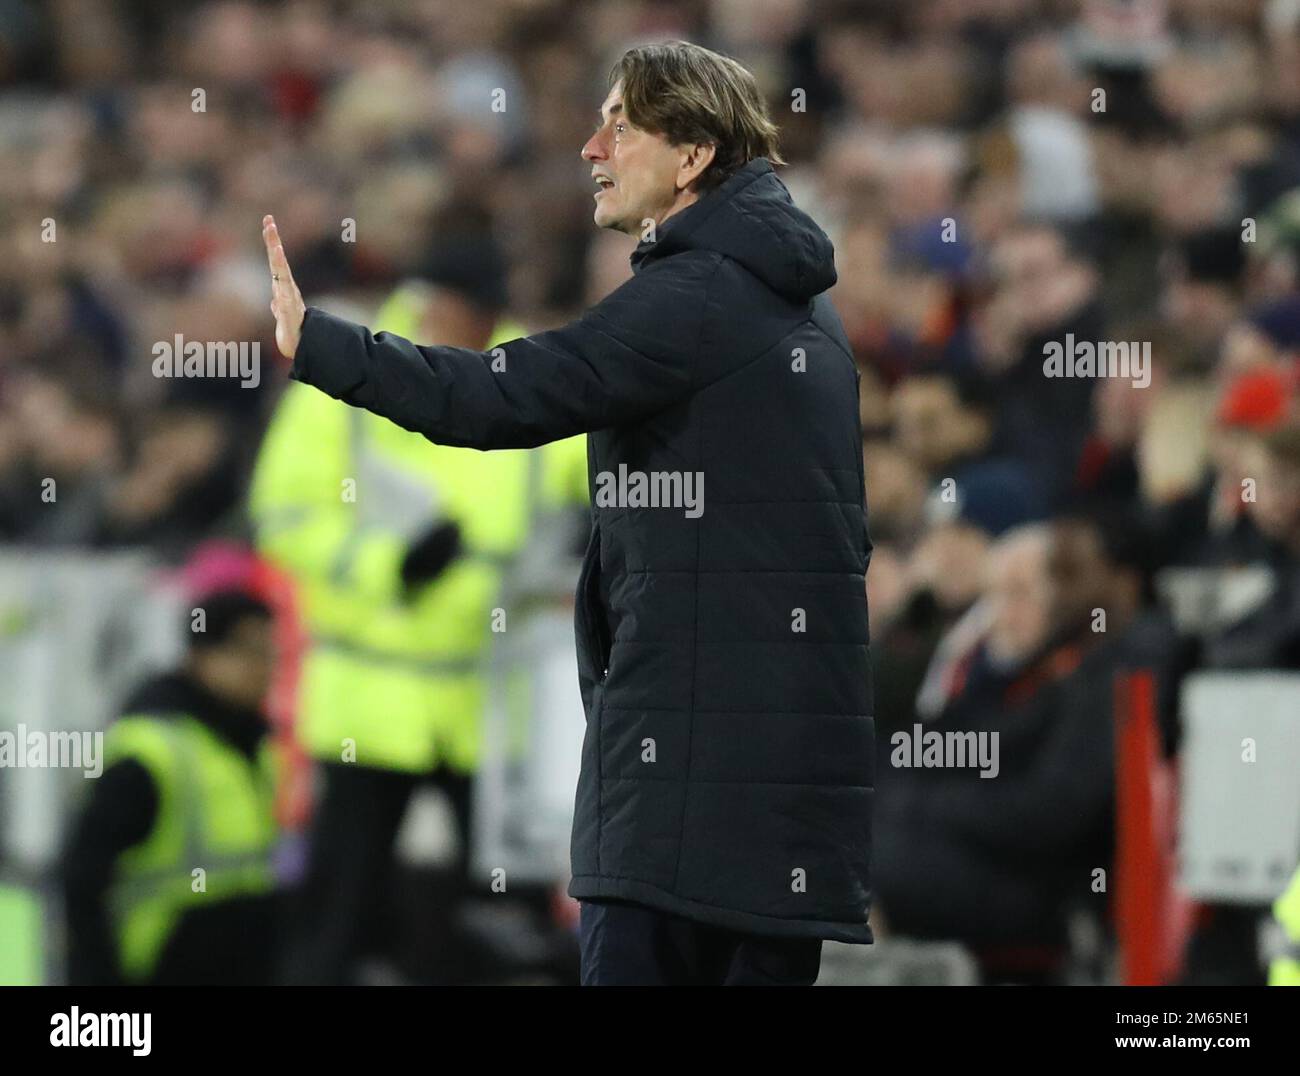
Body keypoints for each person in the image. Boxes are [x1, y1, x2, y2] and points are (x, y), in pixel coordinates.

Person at [261, 40, 872, 986]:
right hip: (774, 785)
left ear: (692, 156)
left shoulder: (698, 298)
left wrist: (326, 347)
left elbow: (501, 398)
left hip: (690, 778)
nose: (592, 146)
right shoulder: (794, 308)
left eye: (621, 124)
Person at [250, 223, 587, 984]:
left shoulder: (523, 369)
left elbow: (592, 465)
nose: (470, 328)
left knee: (498, 924)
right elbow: (282, 518)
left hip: (487, 709)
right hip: (371, 704)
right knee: (340, 917)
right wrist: (391, 565)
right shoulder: (348, 373)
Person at [61, 590, 282, 985]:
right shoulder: (149, 752)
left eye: (270, 654)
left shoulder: (252, 743)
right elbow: (82, 880)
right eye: (249, 652)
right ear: (201, 654)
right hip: (162, 965)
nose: (264, 668)